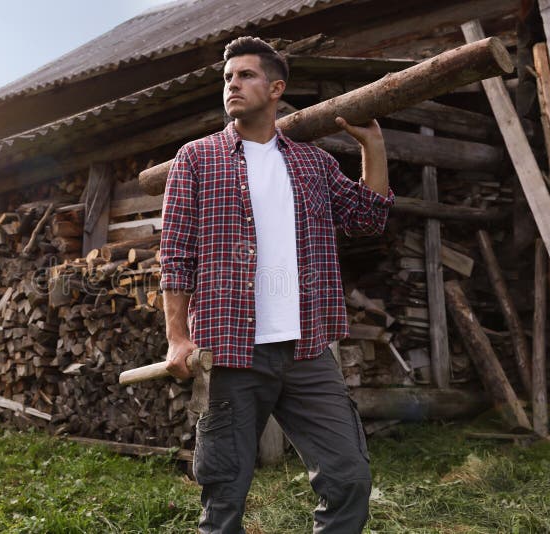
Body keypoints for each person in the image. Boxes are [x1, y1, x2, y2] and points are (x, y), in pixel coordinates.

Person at [159, 36, 393, 533]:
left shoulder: (313, 164)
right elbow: (176, 256)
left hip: (307, 349)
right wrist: (178, 337)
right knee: (224, 495)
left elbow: (368, 219)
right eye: (227, 78)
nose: (232, 85)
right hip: (235, 353)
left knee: (348, 477)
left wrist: (371, 145)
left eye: (245, 76)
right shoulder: (196, 160)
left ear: (276, 88)